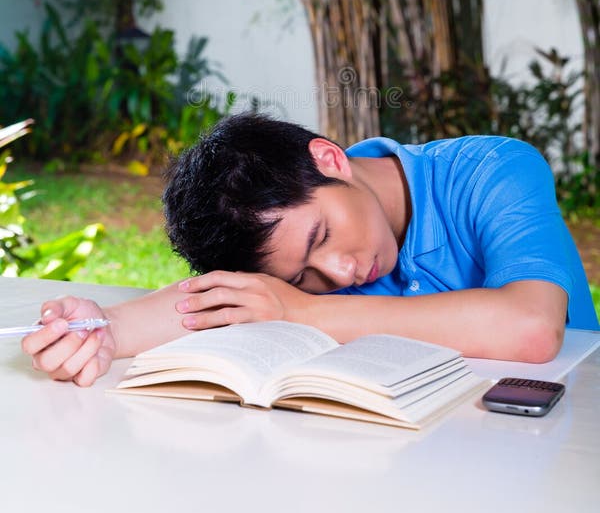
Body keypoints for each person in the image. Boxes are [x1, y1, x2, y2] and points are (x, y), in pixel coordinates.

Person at [22, 113, 599, 386]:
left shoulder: (492, 171)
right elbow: (220, 301)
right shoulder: (303, 269)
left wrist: (305, 309)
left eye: (320, 236)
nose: (342, 271)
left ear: (329, 159)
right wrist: (104, 330)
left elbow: (532, 327)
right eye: (302, 278)